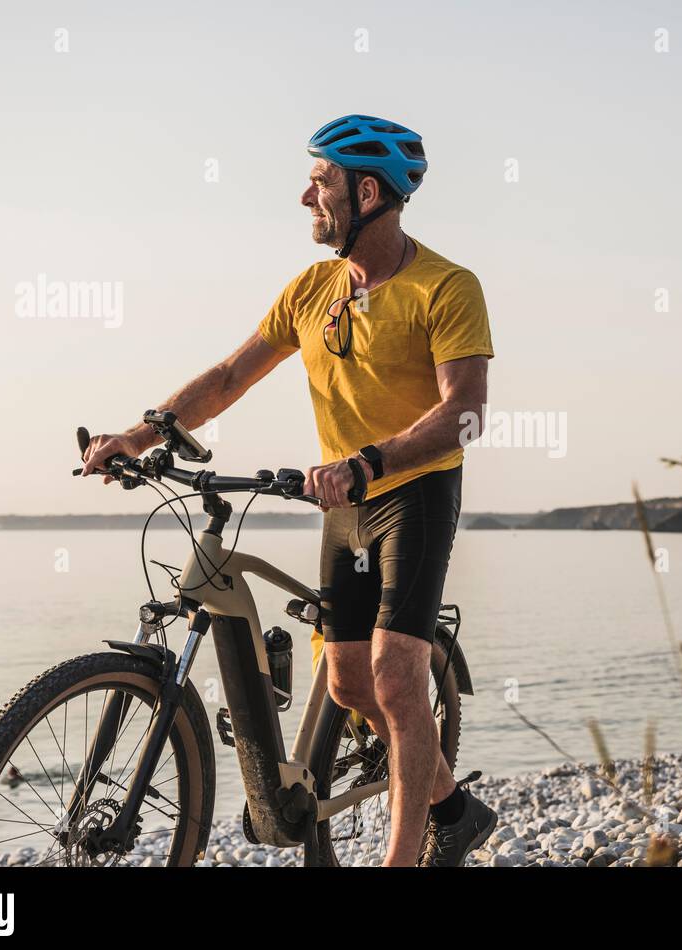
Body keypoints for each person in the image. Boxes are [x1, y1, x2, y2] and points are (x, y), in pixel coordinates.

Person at [81, 114, 497, 866]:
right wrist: (139, 436)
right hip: (343, 504)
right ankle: (454, 810)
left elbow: (464, 411)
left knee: (396, 679)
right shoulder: (311, 289)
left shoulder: (446, 287)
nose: (307, 198)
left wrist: (369, 461)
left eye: (320, 182)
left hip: (414, 494)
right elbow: (228, 377)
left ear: (367, 193)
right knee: (350, 684)